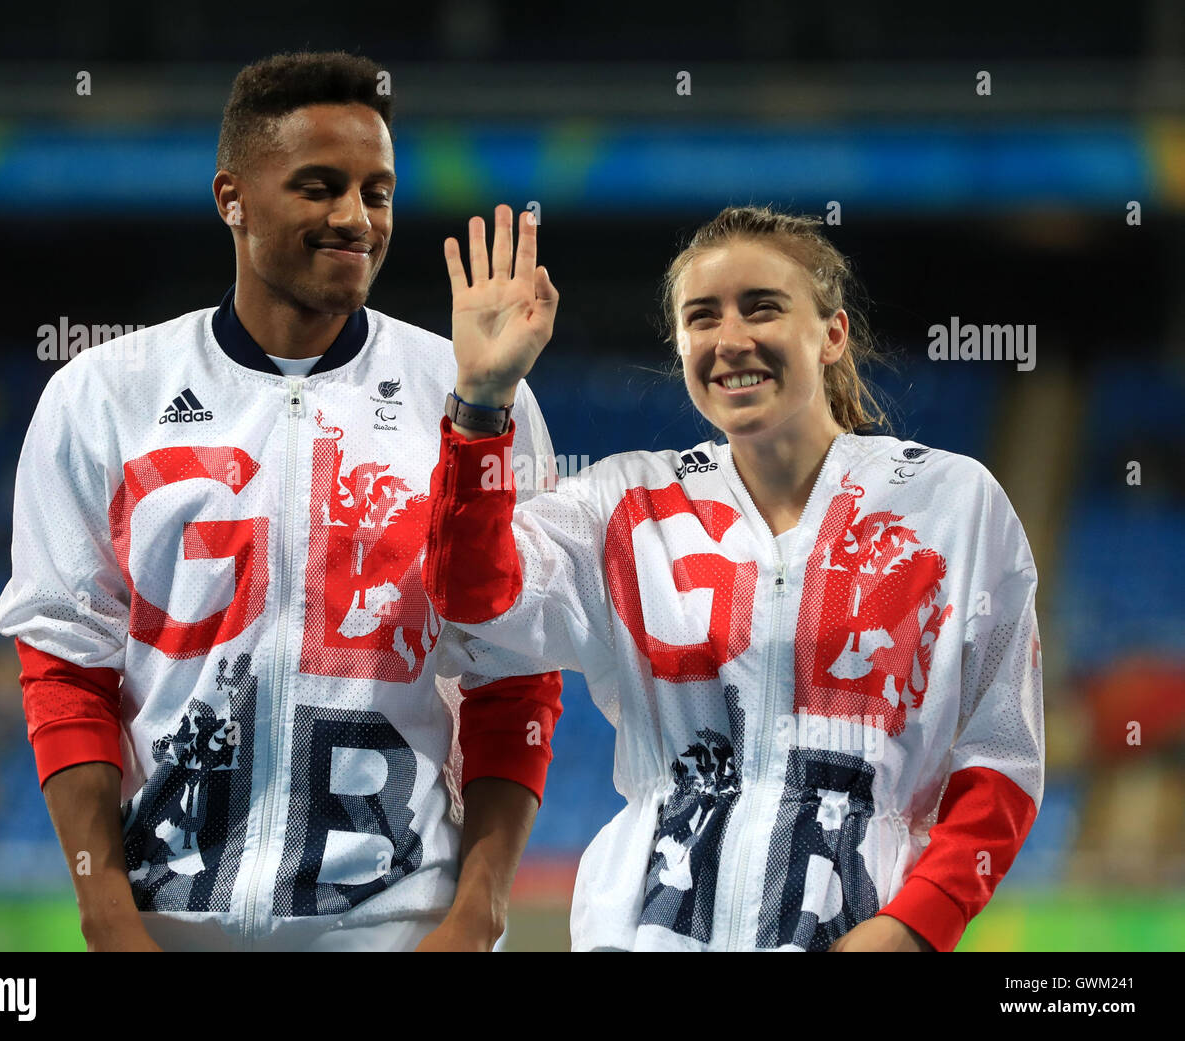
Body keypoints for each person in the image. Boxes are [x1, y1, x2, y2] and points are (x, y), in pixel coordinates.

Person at [0, 52, 563, 952]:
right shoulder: (104, 395)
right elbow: (67, 666)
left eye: (377, 191)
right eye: (319, 186)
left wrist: (478, 910)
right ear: (233, 198)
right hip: (167, 922)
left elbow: (516, 676)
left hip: (394, 924)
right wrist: (105, 909)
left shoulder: (471, 396)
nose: (356, 218)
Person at [423, 203, 1045, 951]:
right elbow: (472, 605)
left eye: (762, 309)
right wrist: (483, 406)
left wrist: (919, 922)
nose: (731, 339)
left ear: (832, 335)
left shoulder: (951, 503)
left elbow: (1001, 754)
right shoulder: (623, 504)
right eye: (702, 316)